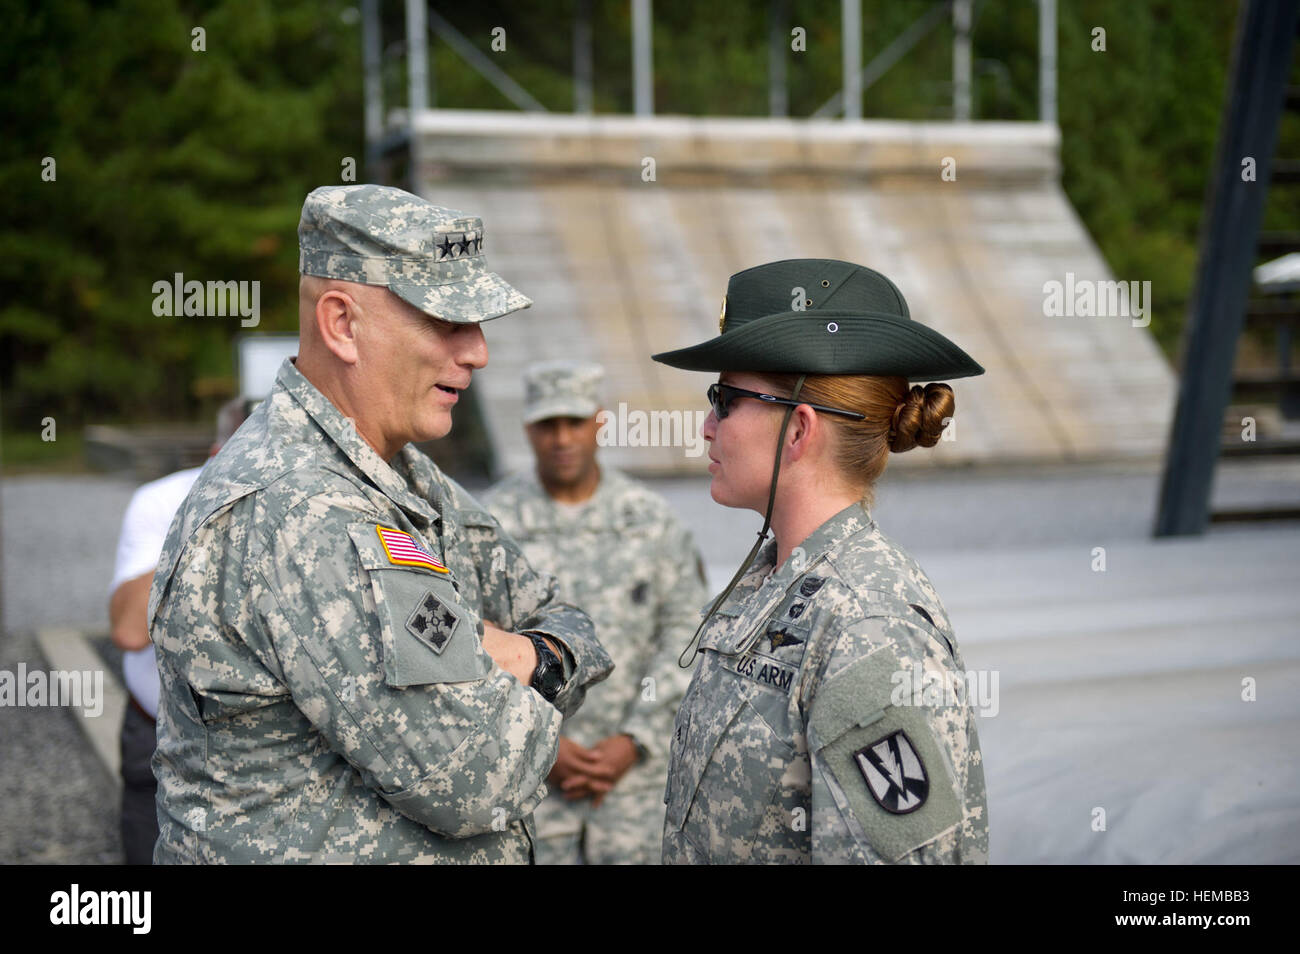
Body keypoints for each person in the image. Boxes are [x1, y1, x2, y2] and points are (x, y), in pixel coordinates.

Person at [148, 184, 613, 864]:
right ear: (342, 323)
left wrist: (522, 656)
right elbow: (481, 774)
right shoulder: (296, 508)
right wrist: (520, 656)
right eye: (447, 320)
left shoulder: (405, 475)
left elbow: (572, 622)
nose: (479, 352)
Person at [651, 258, 989, 864]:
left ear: (799, 430)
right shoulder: (780, 579)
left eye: (724, 400)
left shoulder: (866, 624)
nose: (707, 427)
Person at [486, 360, 707, 864]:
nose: (562, 438)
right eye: (548, 424)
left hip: (634, 791)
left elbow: (687, 634)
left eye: (574, 422)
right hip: (531, 787)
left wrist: (636, 739)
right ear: (528, 429)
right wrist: (543, 743)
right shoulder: (492, 525)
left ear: (599, 423)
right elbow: (474, 643)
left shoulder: (650, 519)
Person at [108, 397, 250, 864]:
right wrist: (209, 511)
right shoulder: (161, 500)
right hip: (160, 738)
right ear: (216, 456)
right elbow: (129, 629)